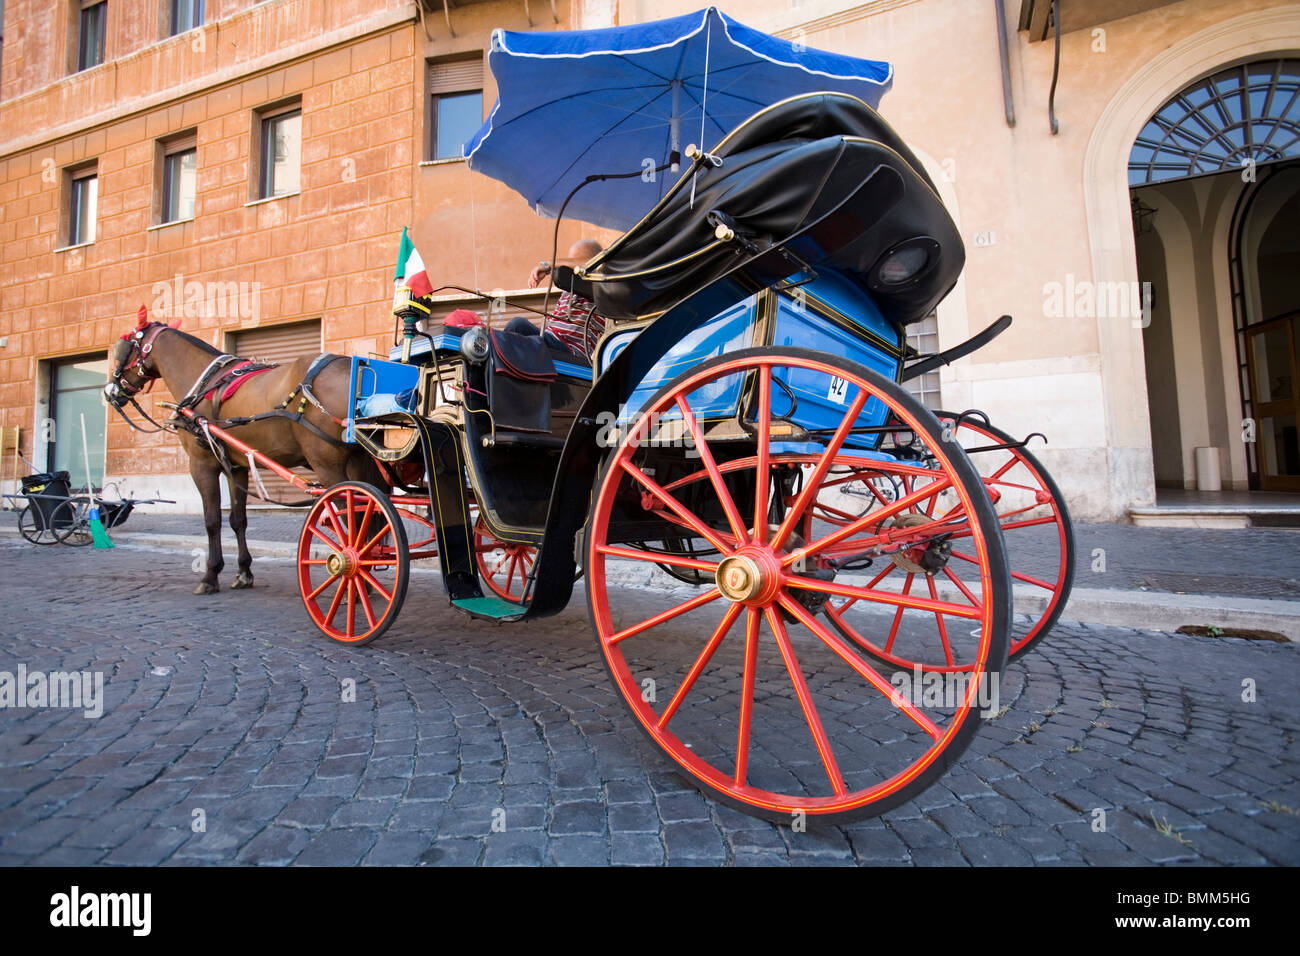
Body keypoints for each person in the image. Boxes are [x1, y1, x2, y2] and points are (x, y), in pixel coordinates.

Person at [505, 238, 606, 359]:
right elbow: (550, 326)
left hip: (571, 349)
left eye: (573, 261)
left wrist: (547, 265)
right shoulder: (567, 291)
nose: (567, 267)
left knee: (517, 325)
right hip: (553, 339)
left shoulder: (600, 287)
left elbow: (594, 264)